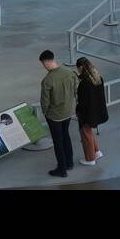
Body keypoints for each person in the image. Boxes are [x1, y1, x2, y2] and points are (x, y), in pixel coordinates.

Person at [38, 49, 77, 177]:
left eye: (43, 64)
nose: (44, 67)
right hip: (67, 112)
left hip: (54, 116)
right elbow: (76, 89)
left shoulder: (48, 80)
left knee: (58, 142)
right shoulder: (69, 72)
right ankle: (69, 163)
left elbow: (45, 101)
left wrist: (45, 112)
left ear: (46, 62)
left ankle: (61, 169)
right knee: (66, 136)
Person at [74, 57, 109, 166]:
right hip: (97, 111)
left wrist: (78, 110)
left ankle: (90, 159)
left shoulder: (84, 84)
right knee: (89, 132)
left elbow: (82, 102)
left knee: (85, 134)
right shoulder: (98, 78)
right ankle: (97, 151)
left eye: (78, 68)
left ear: (80, 67)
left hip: (87, 113)